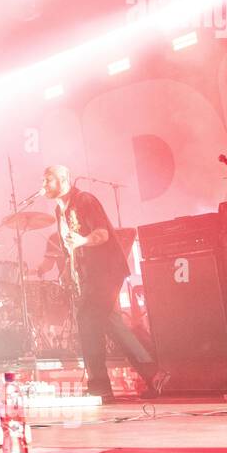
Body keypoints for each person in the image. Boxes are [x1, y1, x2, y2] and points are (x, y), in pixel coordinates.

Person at [42, 164, 169, 401]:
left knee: (88, 320)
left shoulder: (85, 201)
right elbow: (72, 247)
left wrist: (82, 240)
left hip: (106, 272)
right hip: (90, 276)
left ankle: (99, 386)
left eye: (48, 180)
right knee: (111, 323)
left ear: (63, 179)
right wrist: (68, 271)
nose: (44, 185)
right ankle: (153, 373)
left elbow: (102, 234)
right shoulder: (60, 212)